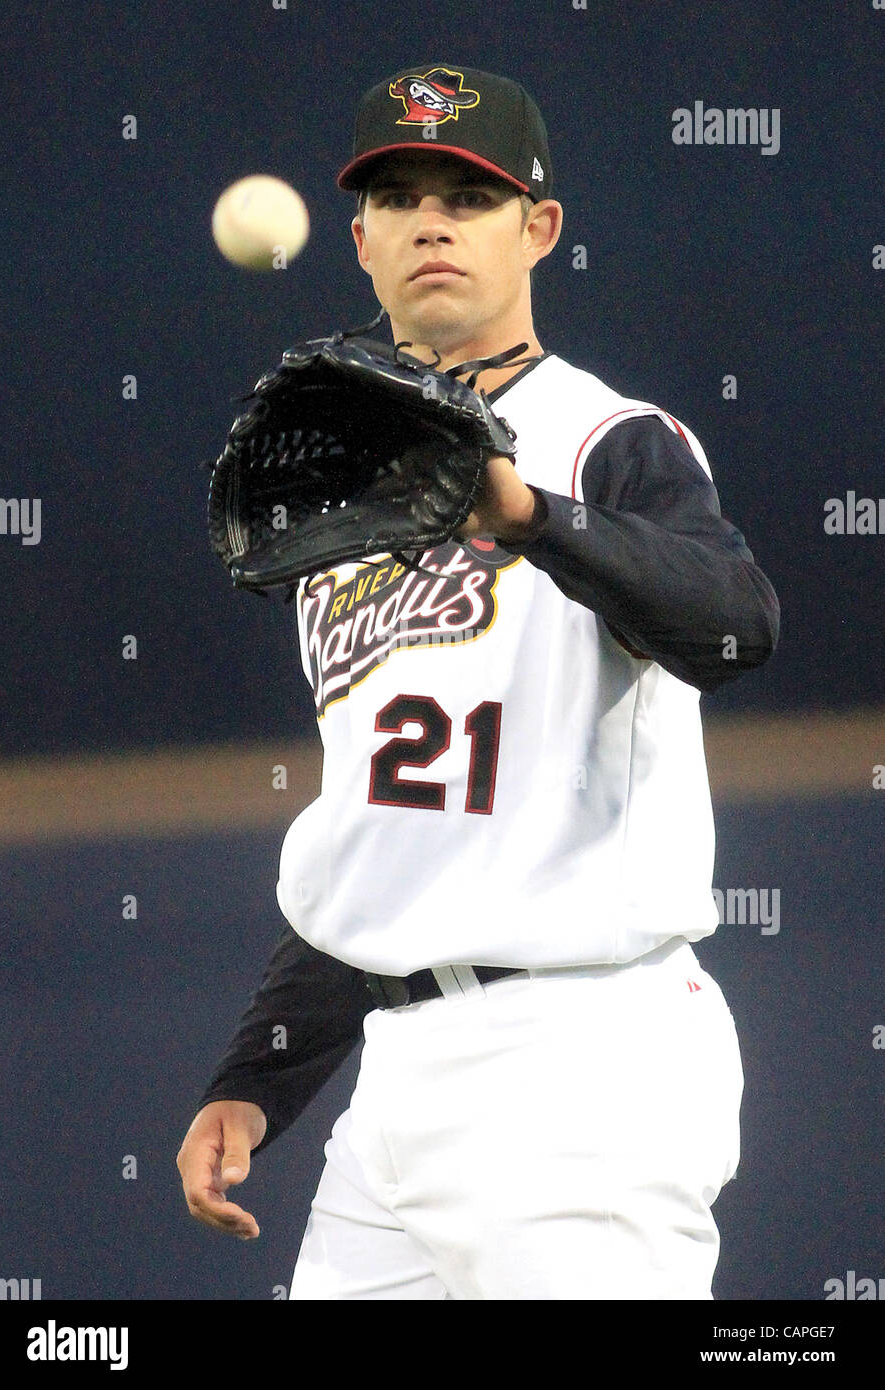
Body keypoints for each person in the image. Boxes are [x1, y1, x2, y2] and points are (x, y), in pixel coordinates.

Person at [177, 63, 780, 1300]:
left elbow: (731, 631)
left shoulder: (608, 437)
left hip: (579, 1057)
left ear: (537, 228)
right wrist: (257, 1077)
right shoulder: (339, 510)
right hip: (394, 1083)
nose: (432, 220)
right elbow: (390, 829)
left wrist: (535, 520)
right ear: (360, 242)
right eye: (397, 197)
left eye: (470, 193)